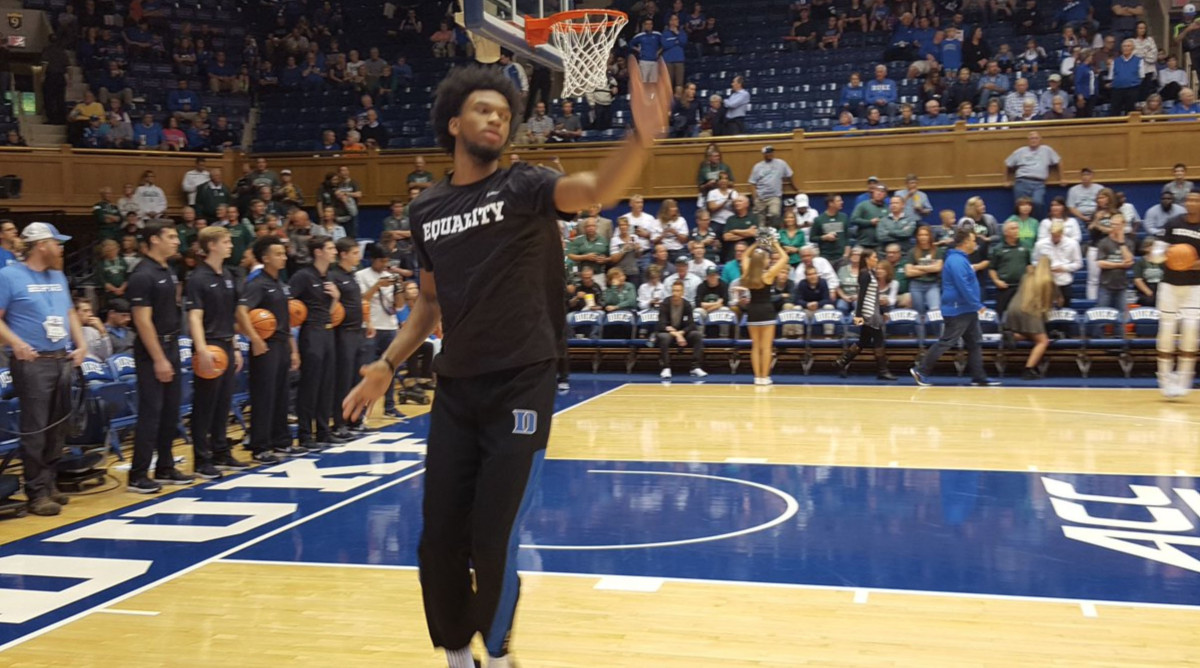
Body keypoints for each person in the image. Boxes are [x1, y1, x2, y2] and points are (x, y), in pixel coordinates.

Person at [341, 60, 673, 668]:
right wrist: (387, 363)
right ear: (453, 122)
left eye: (502, 111)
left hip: (521, 381)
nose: (495, 116)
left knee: (492, 540)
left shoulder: (524, 186)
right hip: (457, 391)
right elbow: (429, 303)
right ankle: (454, 654)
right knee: (438, 538)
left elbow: (594, 190)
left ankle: (496, 655)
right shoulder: (427, 209)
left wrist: (640, 138)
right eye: (483, 109)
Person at [0, 223, 87, 515]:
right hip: (32, 362)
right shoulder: (9, 276)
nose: (61, 248)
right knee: (36, 428)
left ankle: (49, 482)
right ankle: (35, 492)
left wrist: (82, 343)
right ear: (40, 245)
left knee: (58, 426)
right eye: (56, 243)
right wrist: (16, 342)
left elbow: (69, 312)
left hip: (61, 358)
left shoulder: (58, 275)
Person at [127, 221, 193, 493]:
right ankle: (138, 474)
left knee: (170, 411)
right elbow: (142, 321)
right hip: (153, 350)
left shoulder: (167, 270)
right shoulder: (142, 274)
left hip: (172, 344)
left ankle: (164, 466)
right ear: (154, 240)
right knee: (151, 412)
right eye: (171, 236)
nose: (177, 241)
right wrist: (159, 359)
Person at [184, 226, 250, 479]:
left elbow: (229, 316)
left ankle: (222, 451)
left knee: (224, 402)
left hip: (225, 343)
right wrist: (201, 350)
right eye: (225, 241)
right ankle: (202, 459)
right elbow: (195, 318)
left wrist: (234, 346)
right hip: (208, 344)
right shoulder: (197, 278)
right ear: (211, 245)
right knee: (205, 405)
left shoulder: (229, 275)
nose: (231, 245)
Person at [910, 228, 1000, 387]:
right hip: (958, 309)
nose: (975, 243)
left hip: (966, 309)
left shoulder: (960, 259)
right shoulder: (957, 261)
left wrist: (973, 305)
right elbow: (963, 285)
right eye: (973, 240)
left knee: (974, 343)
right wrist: (976, 304)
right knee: (947, 341)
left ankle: (979, 377)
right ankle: (921, 370)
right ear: (965, 242)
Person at [237, 236, 298, 463]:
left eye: (284, 253)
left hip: (282, 344)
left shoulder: (279, 283)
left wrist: (294, 350)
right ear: (265, 258)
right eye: (278, 254)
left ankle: (281, 441)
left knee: (281, 395)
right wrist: (254, 339)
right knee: (264, 396)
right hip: (265, 346)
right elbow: (241, 311)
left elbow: (286, 320)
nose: (283, 257)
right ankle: (260, 446)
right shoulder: (257, 283)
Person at [290, 235, 343, 451]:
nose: (335, 251)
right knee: (310, 385)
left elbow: (327, 313)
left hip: (328, 331)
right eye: (330, 248)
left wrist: (337, 299)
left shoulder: (329, 276)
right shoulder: (302, 276)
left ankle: (323, 431)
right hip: (310, 333)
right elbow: (289, 305)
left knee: (327, 384)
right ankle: (305, 434)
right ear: (318, 252)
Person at [1154, 190, 1200, 398]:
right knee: (1166, 332)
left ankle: (1183, 382)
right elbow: (1155, 255)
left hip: (1194, 288)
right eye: (1189, 199)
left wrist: (1194, 263)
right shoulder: (1173, 223)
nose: (1192, 203)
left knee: (1190, 332)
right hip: (1169, 285)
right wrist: (1167, 254)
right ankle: (1165, 383)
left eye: (1196, 200)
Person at [358, 243, 406, 418]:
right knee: (368, 370)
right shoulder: (361, 275)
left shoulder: (390, 276)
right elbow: (362, 300)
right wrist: (377, 286)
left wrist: (399, 287)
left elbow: (399, 306)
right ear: (372, 260)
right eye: (381, 261)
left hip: (390, 326)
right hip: (370, 328)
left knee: (390, 369)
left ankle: (390, 406)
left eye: (387, 261)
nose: (385, 265)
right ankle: (362, 410)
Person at [329, 237, 368, 438]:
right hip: (342, 333)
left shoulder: (352, 275)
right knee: (342, 380)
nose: (358, 256)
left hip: (357, 331)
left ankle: (355, 419)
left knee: (356, 378)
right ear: (343, 254)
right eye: (354, 253)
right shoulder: (333, 276)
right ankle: (339, 422)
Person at [742, 239, 789, 385]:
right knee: (767, 347)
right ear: (763, 262)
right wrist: (775, 244)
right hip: (766, 311)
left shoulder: (748, 274)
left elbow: (744, 256)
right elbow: (785, 258)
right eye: (767, 258)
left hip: (752, 312)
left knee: (755, 346)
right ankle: (765, 377)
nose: (769, 260)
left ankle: (757, 377)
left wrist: (756, 244)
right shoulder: (768, 275)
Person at [655, 281, 706, 379]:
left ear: (682, 293)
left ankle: (695, 367)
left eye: (678, 291)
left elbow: (691, 324)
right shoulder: (665, 304)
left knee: (697, 335)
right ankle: (666, 367)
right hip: (669, 333)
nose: (675, 293)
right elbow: (661, 324)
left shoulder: (687, 305)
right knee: (664, 337)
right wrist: (677, 335)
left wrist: (681, 333)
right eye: (674, 290)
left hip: (682, 332)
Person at [1004, 131, 1062, 218]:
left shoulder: (1047, 150)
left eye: (1036, 138)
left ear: (1040, 140)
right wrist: (1005, 180)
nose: (1033, 140)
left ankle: (1035, 225)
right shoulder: (1020, 151)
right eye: (1031, 138)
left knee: (1038, 203)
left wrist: (1062, 178)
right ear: (1028, 140)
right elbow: (1007, 163)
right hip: (1022, 181)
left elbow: (1059, 161)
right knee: (1021, 206)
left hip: (1039, 183)